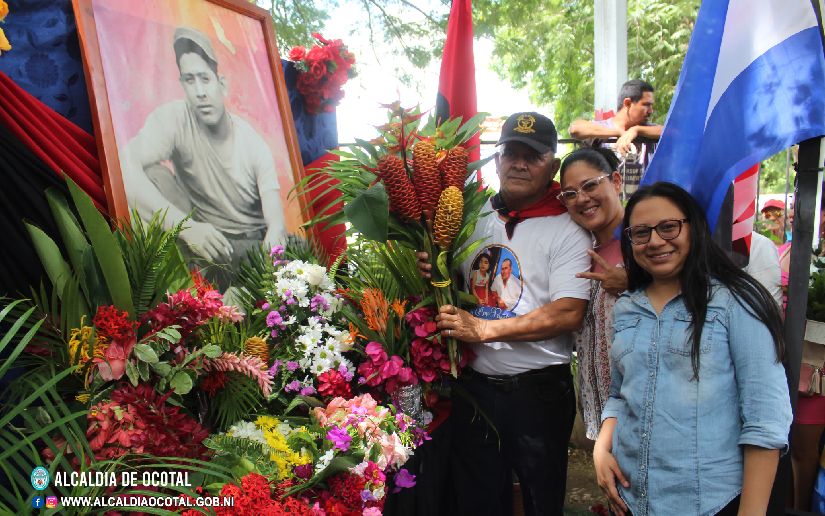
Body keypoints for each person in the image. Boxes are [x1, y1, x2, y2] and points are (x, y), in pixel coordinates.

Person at [420, 112, 592, 515]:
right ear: (496, 159)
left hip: (539, 394)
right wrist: (432, 267)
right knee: (476, 501)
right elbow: (454, 282)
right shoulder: (471, 215)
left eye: (532, 156)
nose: (519, 164)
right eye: (511, 153)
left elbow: (568, 313)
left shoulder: (567, 227)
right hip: (475, 390)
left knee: (540, 501)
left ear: (552, 164)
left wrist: (484, 329)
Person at [594, 182, 792, 516]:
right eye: (641, 232)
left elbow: (765, 420)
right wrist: (602, 447)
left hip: (710, 503)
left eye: (668, 227)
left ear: (695, 228)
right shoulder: (627, 306)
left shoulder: (736, 302)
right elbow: (619, 394)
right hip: (630, 499)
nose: (655, 241)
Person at [121, 26, 286, 291]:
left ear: (222, 84)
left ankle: (222, 293)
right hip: (200, 238)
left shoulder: (253, 144)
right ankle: (171, 295)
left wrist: (267, 268)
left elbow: (276, 224)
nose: (200, 92)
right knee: (152, 175)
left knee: (294, 250)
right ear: (182, 85)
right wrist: (187, 228)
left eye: (205, 79)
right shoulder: (174, 118)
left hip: (248, 246)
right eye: (190, 80)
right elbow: (124, 165)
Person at [557, 146, 627, 441]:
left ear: (616, 181)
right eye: (570, 194)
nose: (582, 199)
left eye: (590, 185)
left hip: (645, 413)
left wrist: (636, 281)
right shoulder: (575, 254)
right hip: (600, 415)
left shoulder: (647, 240)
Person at [568, 79, 662, 157]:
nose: (651, 111)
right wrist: (619, 132)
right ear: (628, 103)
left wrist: (636, 130)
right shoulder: (603, 127)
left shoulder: (647, 129)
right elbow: (575, 129)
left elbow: (669, 131)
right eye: (646, 105)